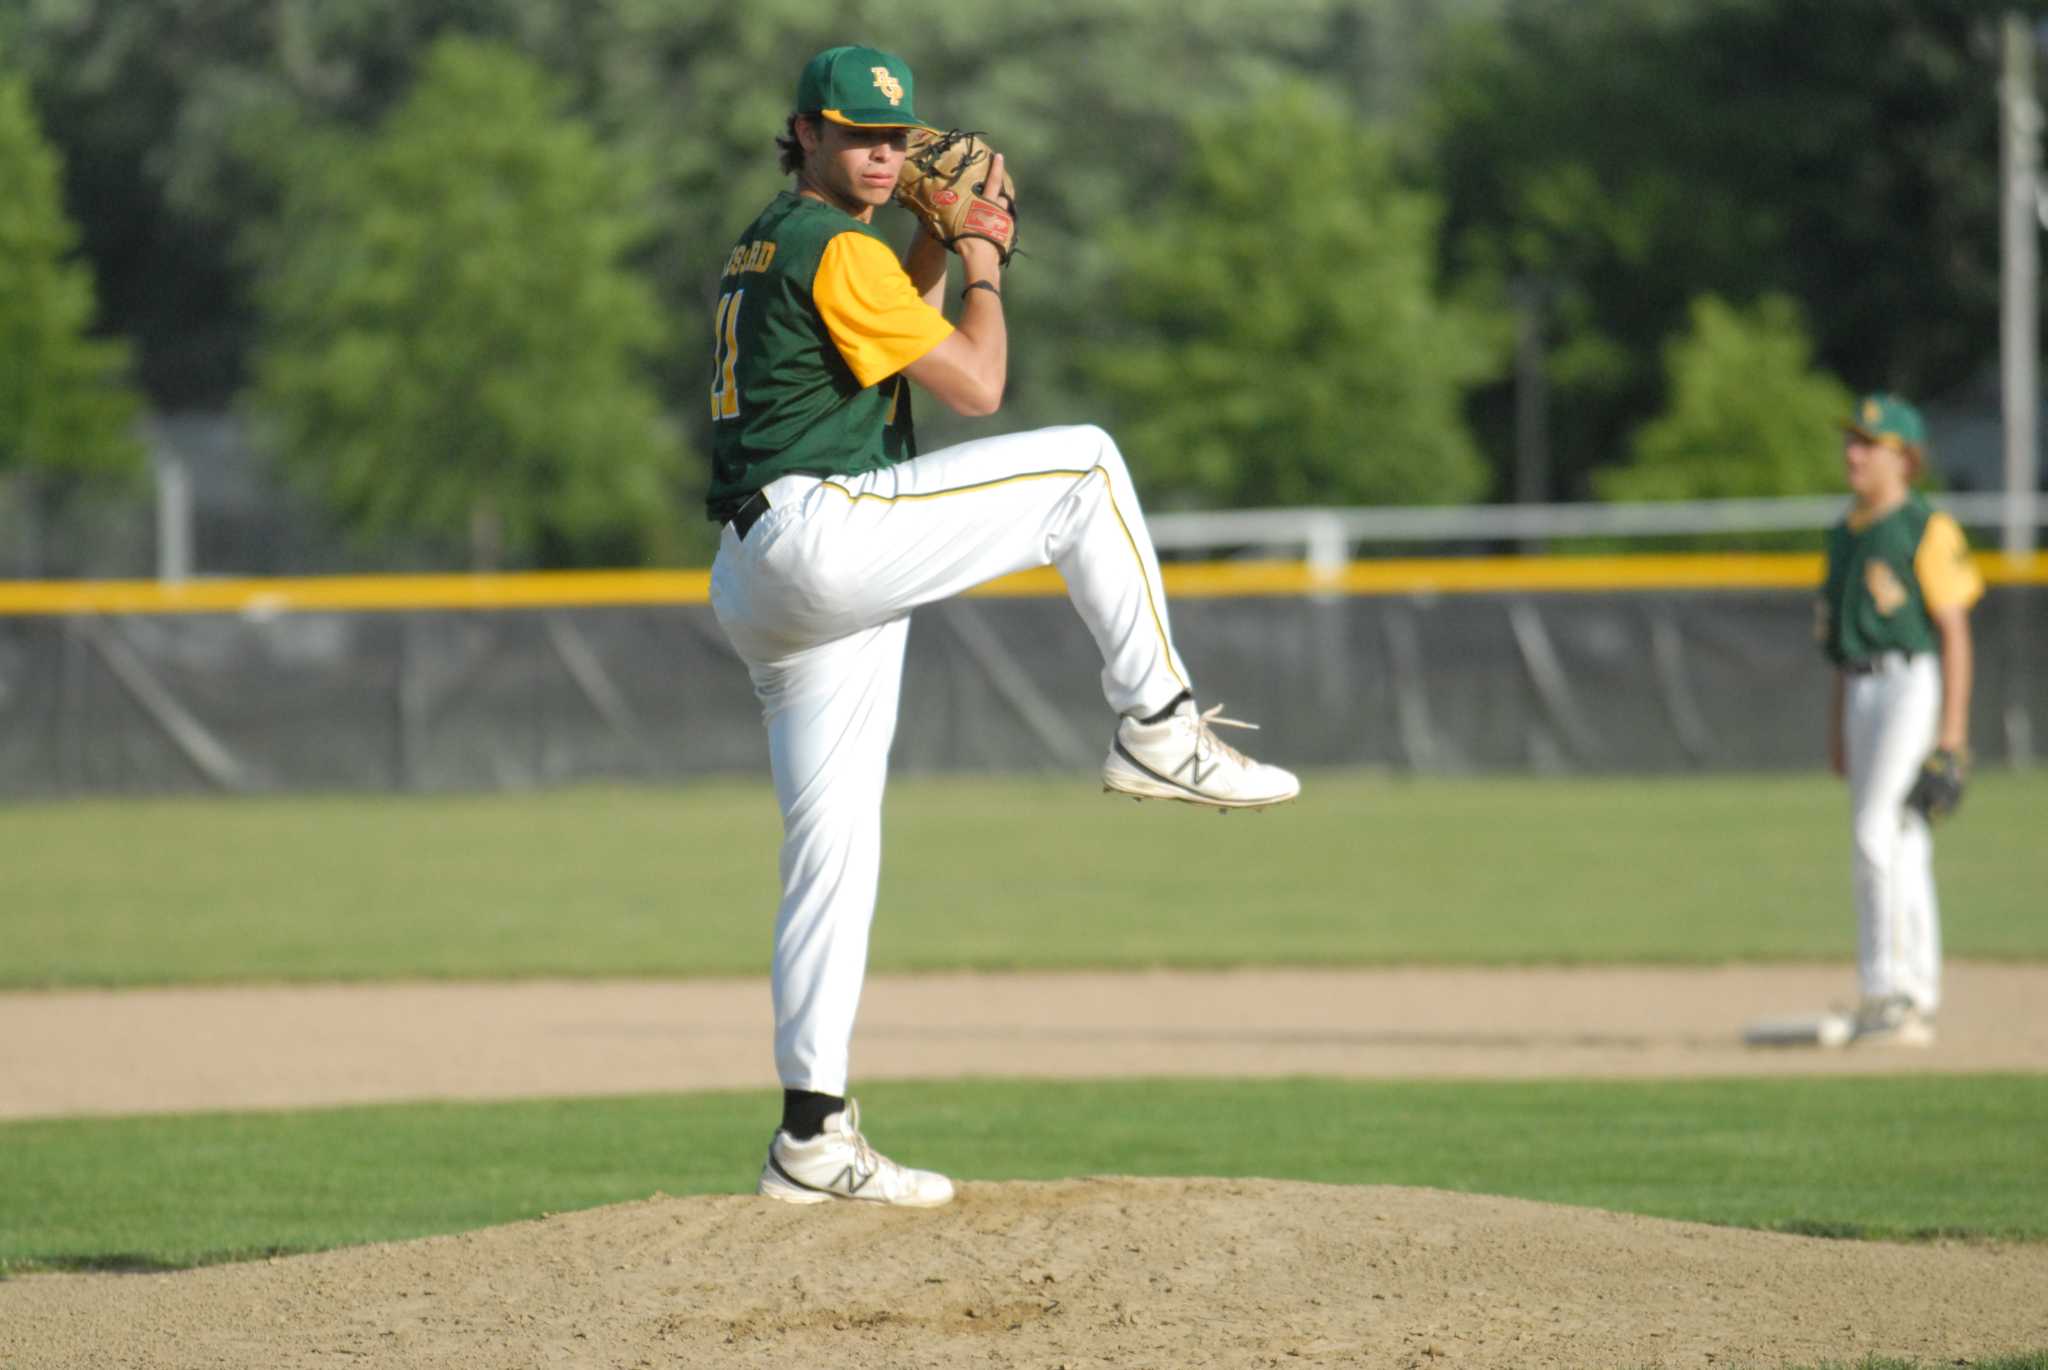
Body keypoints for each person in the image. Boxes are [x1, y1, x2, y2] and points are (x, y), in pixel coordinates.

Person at [706, 45, 1300, 1208]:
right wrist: (982, 255)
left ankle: (810, 1136)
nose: (883, 154)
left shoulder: (785, 240)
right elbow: (975, 382)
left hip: (759, 575)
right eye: (856, 134)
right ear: (805, 132)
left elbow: (896, 338)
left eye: (895, 135)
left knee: (834, 851)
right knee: (1083, 465)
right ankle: (1156, 724)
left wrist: (931, 244)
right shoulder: (831, 245)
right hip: (821, 532)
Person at [1816, 392, 1982, 1047]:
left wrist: (1953, 732)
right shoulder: (1844, 534)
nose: (1853, 452)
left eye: (1869, 442)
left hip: (1911, 680)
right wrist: (1835, 730)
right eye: (1851, 439)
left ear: (1905, 458)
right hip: (1861, 690)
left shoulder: (1924, 527)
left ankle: (1886, 991)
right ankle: (1916, 993)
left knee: (1872, 831)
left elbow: (1956, 633)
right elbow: (1839, 649)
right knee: (1905, 841)